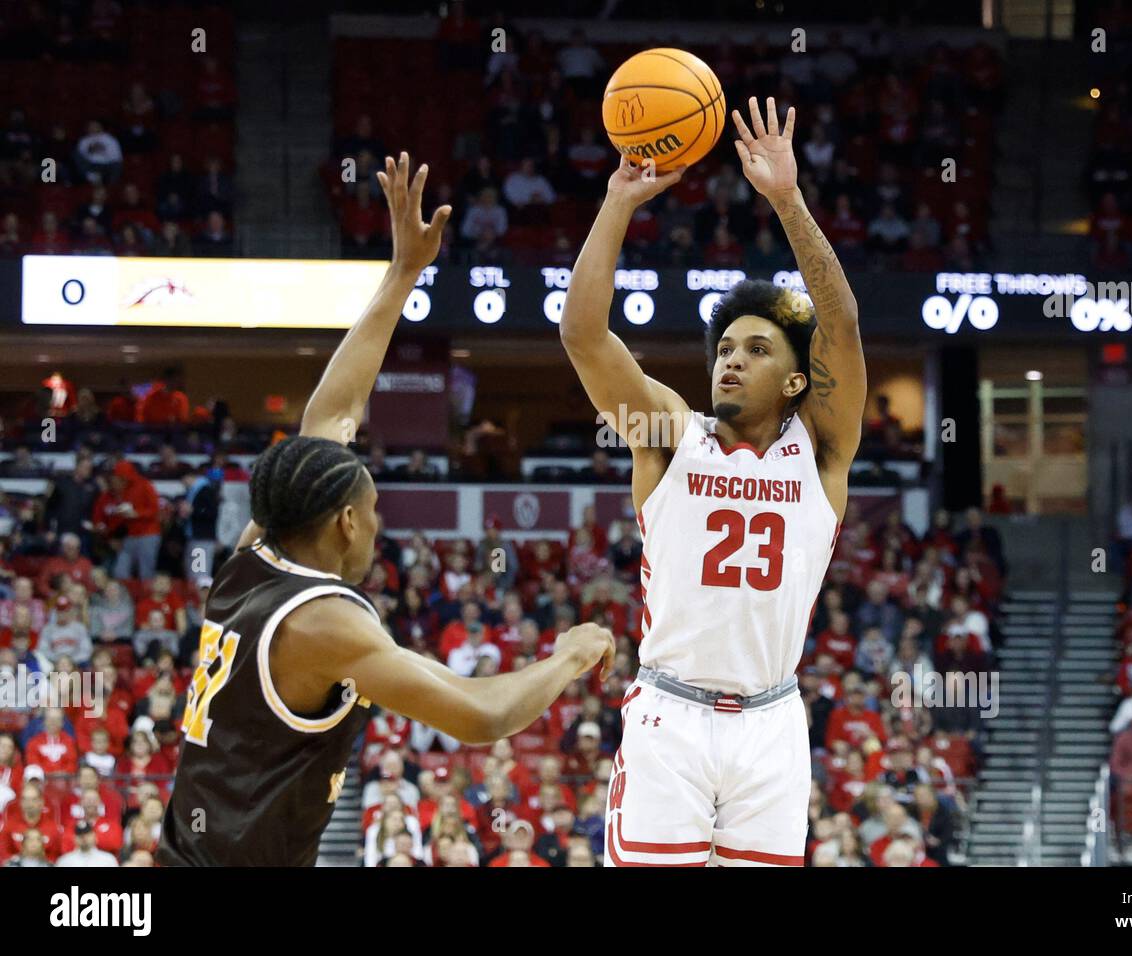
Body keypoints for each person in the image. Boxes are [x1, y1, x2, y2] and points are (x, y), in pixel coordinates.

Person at [157, 154, 615, 867]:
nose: (378, 524)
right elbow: (482, 715)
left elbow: (330, 417)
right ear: (345, 521)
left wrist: (404, 272)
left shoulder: (254, 555)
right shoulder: (326, 621)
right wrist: (570, 656)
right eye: (373, 511)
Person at [561, 99, 866, 867]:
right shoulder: (671, 434)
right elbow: (583, 335)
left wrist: (788, 200)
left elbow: (844, 326)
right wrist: (618, 202)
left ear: (798, 379)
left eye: (757, 349)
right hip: (672, 718)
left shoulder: (822, 451)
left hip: (772, 724)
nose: (731, 358)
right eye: (725, 347)